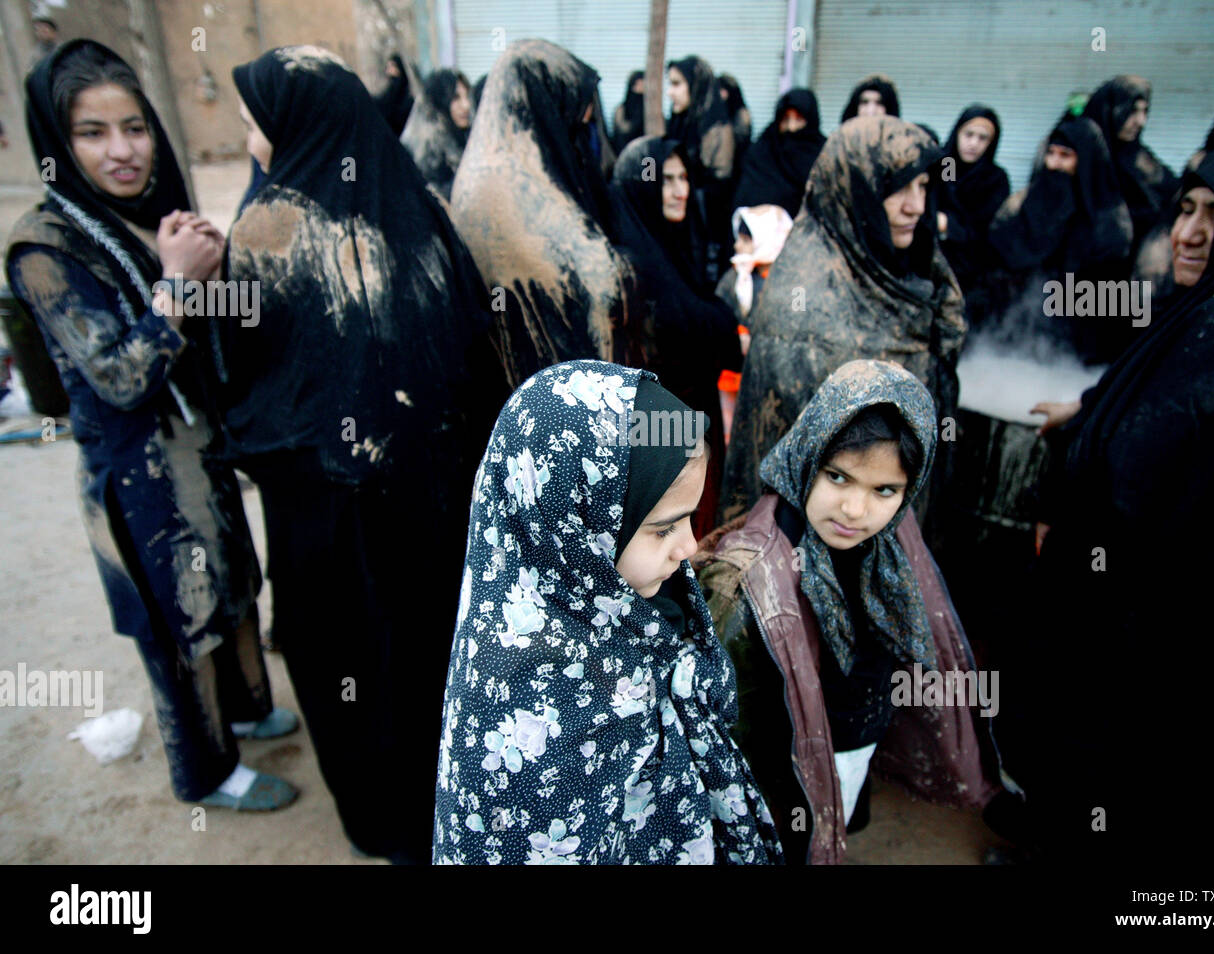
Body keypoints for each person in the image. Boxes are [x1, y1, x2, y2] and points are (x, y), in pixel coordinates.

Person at [219, 44, 500, 863]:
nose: (251, 144)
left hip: (328, 518)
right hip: (434, 497)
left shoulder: (265, 230)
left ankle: (387, 824)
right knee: (426, 655)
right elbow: (471, 346)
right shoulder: (426, 209)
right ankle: (449, 806)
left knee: (351, 668)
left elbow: (238, 378)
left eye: (253, 127)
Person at [5, 40, 296, 812]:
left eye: (134, 127)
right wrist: (175, 285)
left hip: (196, 453)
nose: (124, 150)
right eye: (93, 134)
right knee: (176, 624)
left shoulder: (143, 216)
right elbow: (120, 376)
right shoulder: (42, 247)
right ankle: (208, 773)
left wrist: (219, 276)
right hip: (136, 473)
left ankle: (245, 710)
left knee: (231, 586)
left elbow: (207, 329)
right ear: (57, 147)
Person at [1003, 139, 1214, 864]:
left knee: (1131, 768)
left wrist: (1090, 466)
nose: (1190, 232)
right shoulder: (1207, 308)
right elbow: (1137, 398)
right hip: (1118, 601)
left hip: (1167, 621)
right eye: (1186, 210)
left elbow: (1157, 471)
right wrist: (1089, 414)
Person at [434, 360, 785, 865]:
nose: (688, 546)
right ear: (574, 530)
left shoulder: (640, 592)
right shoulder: (527, 704)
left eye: (691, 518)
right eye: (664, 528)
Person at [695, 359, 1003, 863]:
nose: (855, 511)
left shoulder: (894, 537)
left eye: (884, 490)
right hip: (791, 774)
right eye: (838, 477)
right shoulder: (749, 584)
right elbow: (734, 739)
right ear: (806, 456)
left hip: (854, 743)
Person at [720, 116, 964, 527]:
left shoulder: (914, 268)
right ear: (857, 191)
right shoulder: (806, 304)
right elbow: (787, 462)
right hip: (830, 531)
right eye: (897, 188)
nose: (916, 206)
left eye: (923, 186)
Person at [451, 39, 637, 389]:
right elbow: (599, 285)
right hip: (548, 391)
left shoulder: (497, 167)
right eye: (574, 117)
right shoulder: (510, 188)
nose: (584, 128)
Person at [609, 136, 742, 535]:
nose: (681, 190)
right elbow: (687, 326)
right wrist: (722, 325)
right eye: (666, 180)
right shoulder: (634, 261)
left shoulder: (676, 245)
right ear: (641, 185)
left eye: (684, 178)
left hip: (694, 418)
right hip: (661, 433)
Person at [986, 115, 1133, 361]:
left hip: (1075, 347)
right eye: (1051, 153)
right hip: (1015, 334)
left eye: (1065, 156)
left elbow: (1109, 302)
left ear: (1085, 162)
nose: (1053, 164)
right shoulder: (1024, 203)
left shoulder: (1110, 220)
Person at [1082, 75, 1178, 271]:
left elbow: (1172, 195)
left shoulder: (1138, 156)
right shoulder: (1077, 150)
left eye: (1145, 111)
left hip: (1129, 272)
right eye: (1132, 111)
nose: (1141, 121)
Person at [935, 105, 1010, 327]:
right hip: (935, 266)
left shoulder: (994, 179)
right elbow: (943, 195)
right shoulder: (946, 166)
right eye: (969, 134)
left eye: (983, 138)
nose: (974, 144)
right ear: (957, 133)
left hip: (972, 274)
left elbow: (985, 230)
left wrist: (949, 225)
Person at [666, 55, 737, 283]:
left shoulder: (716, 130)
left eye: (677, 84)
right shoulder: (678, 122)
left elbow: (719, 188)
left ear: (695, 86)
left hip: (703, 234)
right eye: (670, 84)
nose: (670, 92)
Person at [731, 88, 826, 219]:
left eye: (798, 119)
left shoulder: (820, 155)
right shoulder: (763, 149)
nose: (791, 127)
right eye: (786, 119)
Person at [401, 67, 472, 198]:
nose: (466, 105)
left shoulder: (464, 137)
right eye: (456, 98)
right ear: (439, 102)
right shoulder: (427, 151)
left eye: (467, 96)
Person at [716, 72, 753, 173]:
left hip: (737, 163)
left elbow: (741, 141)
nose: (721, 94)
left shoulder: (742, 113)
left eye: (723, 90)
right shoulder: (721, 108)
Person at [372, 54, 414, 136]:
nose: (389, 69)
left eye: (392, 66)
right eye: (388, 66)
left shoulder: (400, 88)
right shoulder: (390, 88)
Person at [611, 70, 645, 156]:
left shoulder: (650, 111)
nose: (640, 89)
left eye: (643, 85)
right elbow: (622, 131)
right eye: (637, 85)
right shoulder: (621, 109)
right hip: (624, 154)